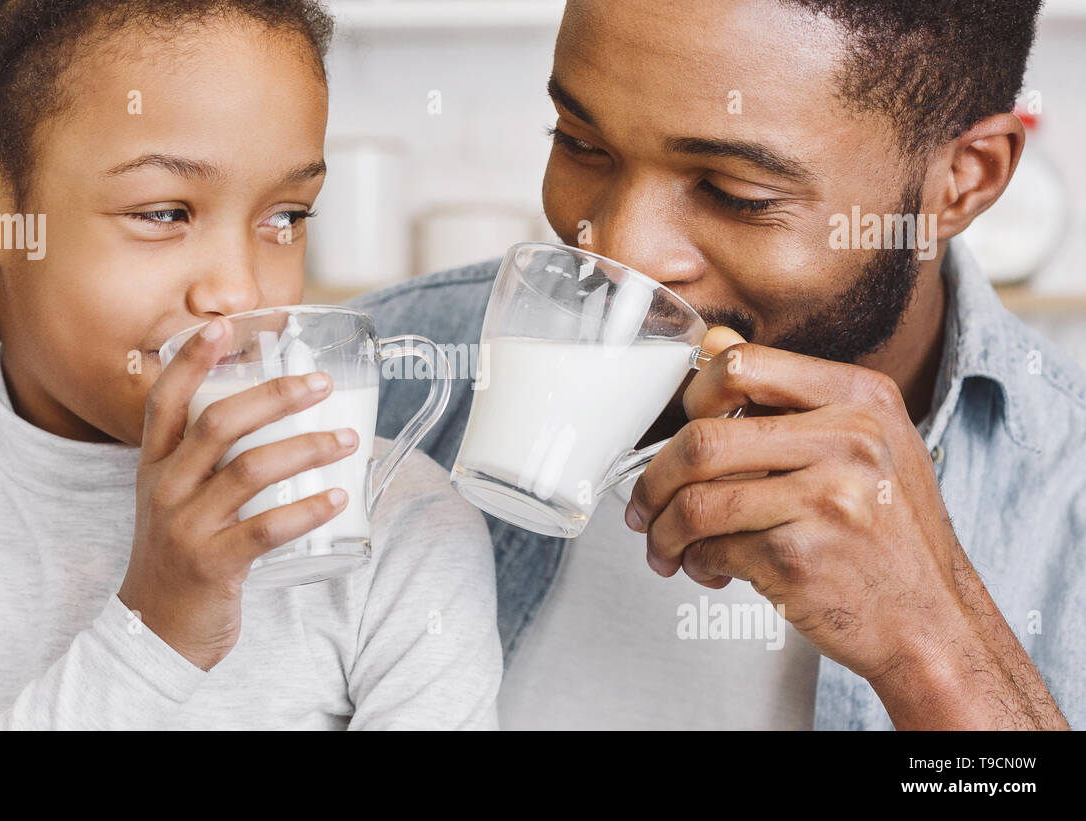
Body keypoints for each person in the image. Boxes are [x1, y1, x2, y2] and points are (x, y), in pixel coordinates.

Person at [353, 0, 1082, 730]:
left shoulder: (1066, 494)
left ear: (963, 178)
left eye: (738, 195)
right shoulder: (376, 380)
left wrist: (938, 655)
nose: (620, 250)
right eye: (578, 142)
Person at [0, 0, 500, 730]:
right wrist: (154, 633)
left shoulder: (396, 521)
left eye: (286, 215)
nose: (239, 289)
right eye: (165, 212)